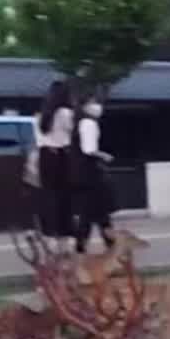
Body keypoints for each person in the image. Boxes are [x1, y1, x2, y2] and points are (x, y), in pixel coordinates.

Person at [71, 91, 115, 253]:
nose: (97, 106)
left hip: (81, 174)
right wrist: (104, 155)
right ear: (85, 106)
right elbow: (89, 149)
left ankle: (83, 247)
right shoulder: (89, 123)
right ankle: (110, 247)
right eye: (93, 102)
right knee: (97, 212)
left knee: (89, 213)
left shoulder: (78, 122)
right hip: (91, 173)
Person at [33, 80, 75, 239]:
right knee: (64, 193)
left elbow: (38, 138)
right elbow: (71, 132)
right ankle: (64, 227)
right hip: (61, 154)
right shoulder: (65, 113)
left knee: (48, 192)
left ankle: (48, 228)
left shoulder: (40, 114)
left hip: (44, 155)